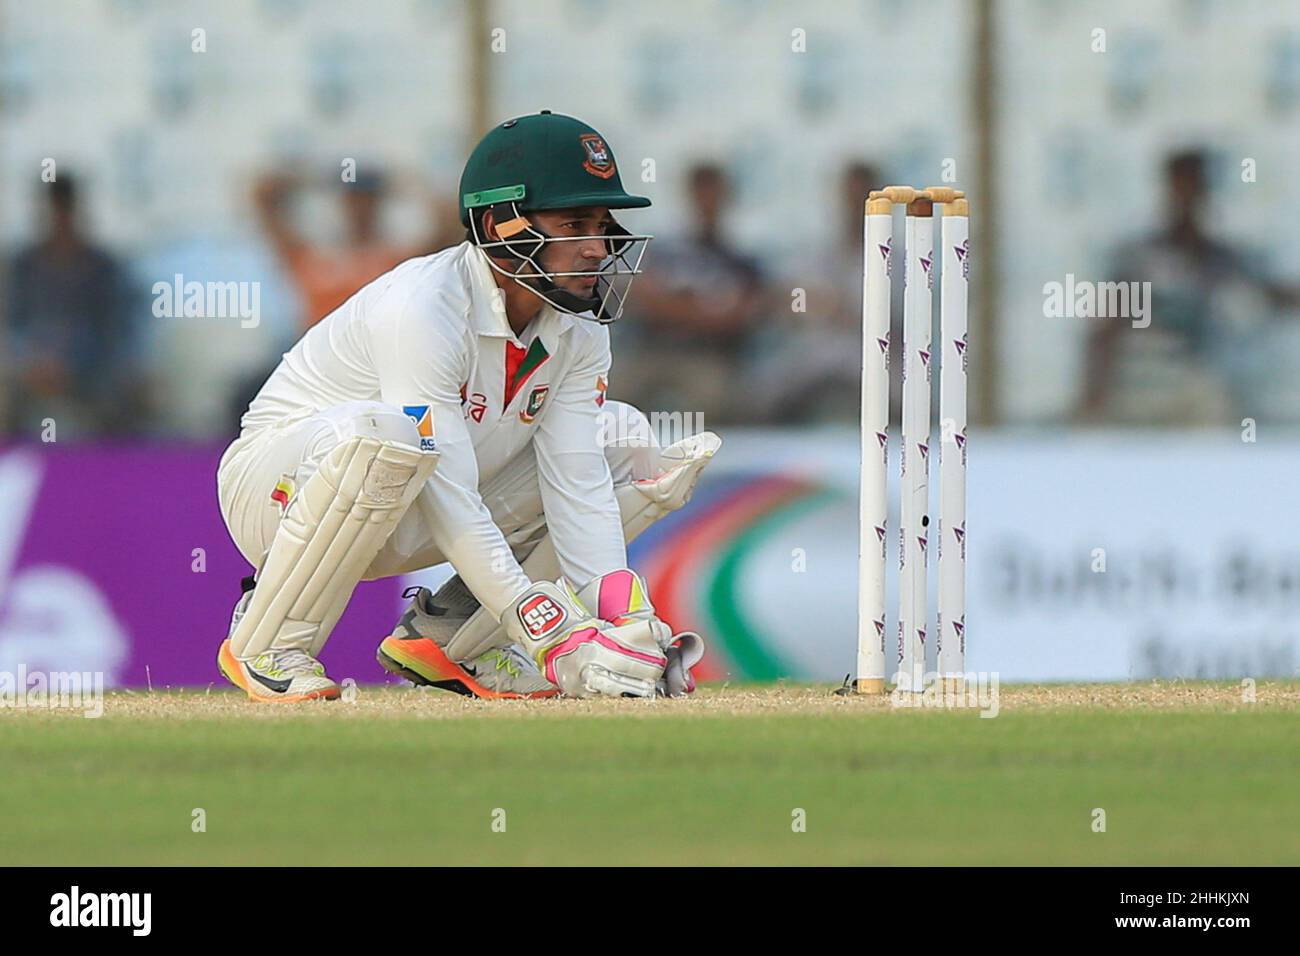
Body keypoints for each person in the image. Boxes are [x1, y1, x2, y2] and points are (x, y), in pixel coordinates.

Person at [216, 111, 717, 703]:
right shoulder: (422, 308)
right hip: (277, 491)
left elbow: (576, 483)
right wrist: (546, 631)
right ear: (500, 225)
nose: (596, 247)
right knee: (392, 435)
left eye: (603, 224)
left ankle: (451, 639)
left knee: (623, 438)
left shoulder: (580, 328)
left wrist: (620, 618)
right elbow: (448, 489)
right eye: (575, 223)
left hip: (415, 500)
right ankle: (267, 641)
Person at [1078, 149, 1300, 424]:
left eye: (1195, 185)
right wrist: (1092, 396)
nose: (1187, 196)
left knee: (1211, 404)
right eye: (1180, 186)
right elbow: (1104, 328)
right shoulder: (1139, 258)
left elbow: (1271, 295)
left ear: (1206, 191)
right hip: (1145, 387)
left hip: (1205, 389)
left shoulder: (1223, 260)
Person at [614, 162, 767, 424]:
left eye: (713, 192)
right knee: (612, 395)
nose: (706, 200)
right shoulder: (663, 250)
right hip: (650, 352)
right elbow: (640, 297)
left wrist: (675, 307)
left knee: (713, 400)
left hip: (707, 359)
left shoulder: (741, 260)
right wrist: (701, 310)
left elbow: (739, 317)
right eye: (700, 191)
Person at [4, 175, 143, 437]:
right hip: (31, 370)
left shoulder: (102, 267)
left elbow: (116, 331)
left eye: (64, 212)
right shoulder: (24, 266)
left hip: (89, 370)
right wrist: (32, 359)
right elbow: (12, 325)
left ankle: (106, 466)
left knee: (118, 389)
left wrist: (71, 362)